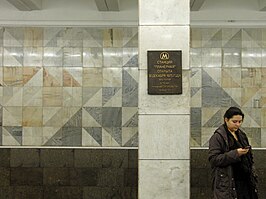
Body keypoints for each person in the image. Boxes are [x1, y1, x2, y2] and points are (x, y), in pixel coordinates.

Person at [208, 107, 258, 199]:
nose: (238, 124)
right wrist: (236, 153)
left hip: (246, 181)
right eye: (234, 122)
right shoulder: (218, 137)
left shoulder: (241, 135)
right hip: (229, 182)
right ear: (226, 120)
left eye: (240, 122)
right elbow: (214, 159)